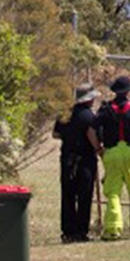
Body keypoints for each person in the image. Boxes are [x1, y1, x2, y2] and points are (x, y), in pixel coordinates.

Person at [88, 76, 130, 240]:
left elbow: (91, 131)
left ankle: (113, 229)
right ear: (128, 92)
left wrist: (99, 149)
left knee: (113, 193)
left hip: (111, 153)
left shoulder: (105, 109)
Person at [53, 84, 99, 243]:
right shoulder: (88, 116)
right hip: (85, 159)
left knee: (68, 195)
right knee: (84, 196)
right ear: (88, 99)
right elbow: (92, 136)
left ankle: (67, 231)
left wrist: (70, 137)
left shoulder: (64, 114)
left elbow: (55, 134)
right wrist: (99, 149)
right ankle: (81, 232)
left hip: (67, 159)